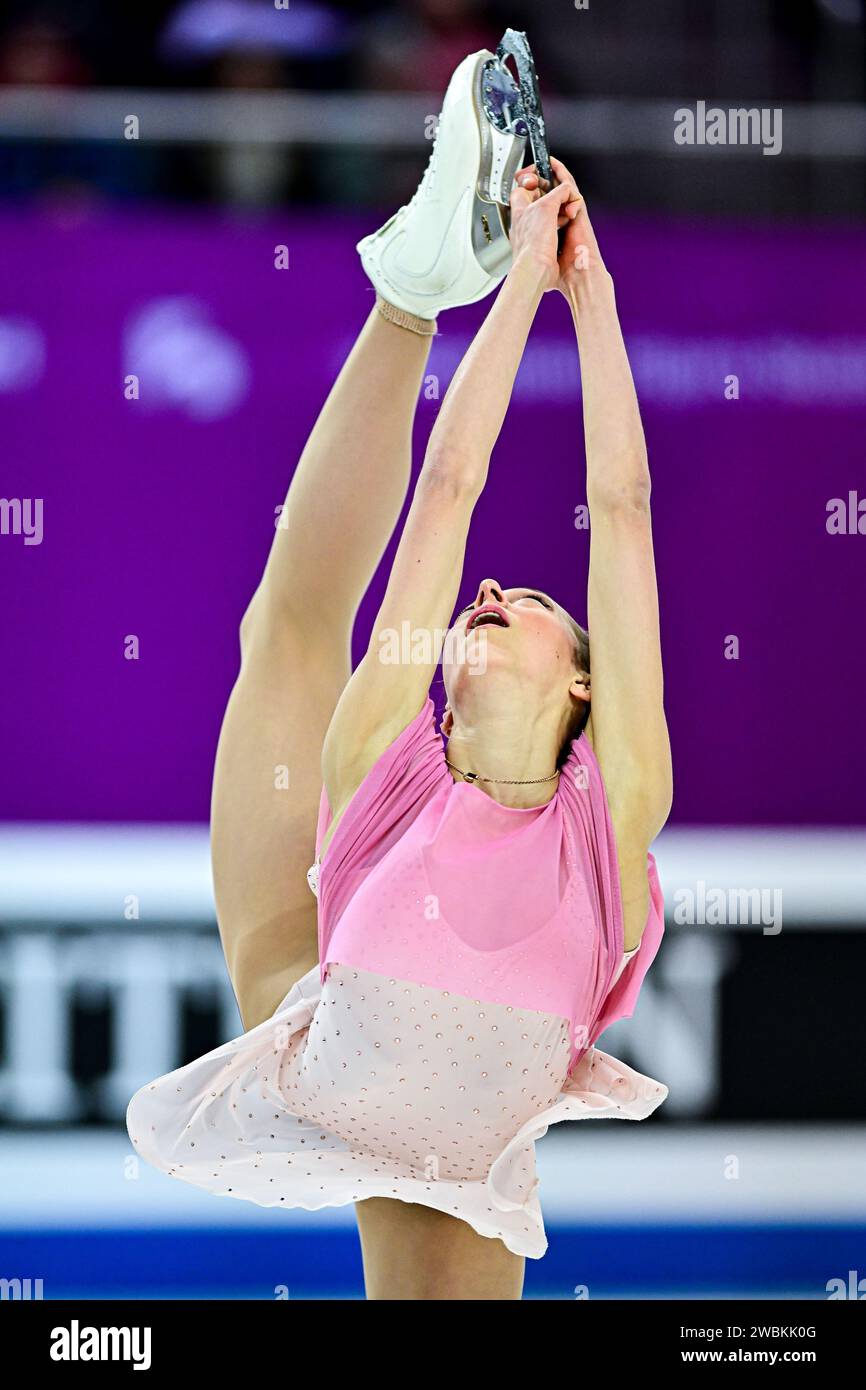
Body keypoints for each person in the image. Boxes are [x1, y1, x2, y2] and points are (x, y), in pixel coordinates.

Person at [127, 48, 672, 1302]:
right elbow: (449, 491)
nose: (486, 593)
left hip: (390, 1072)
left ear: (583, 685)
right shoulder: (396, 754)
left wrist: (554, 288)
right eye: (494, 591)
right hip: (331, 1035)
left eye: (525, 600)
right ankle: (411, 290)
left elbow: (623, 508)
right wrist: (557, 289)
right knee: (297, 628)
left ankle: (421, 279)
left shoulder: (615, 811)